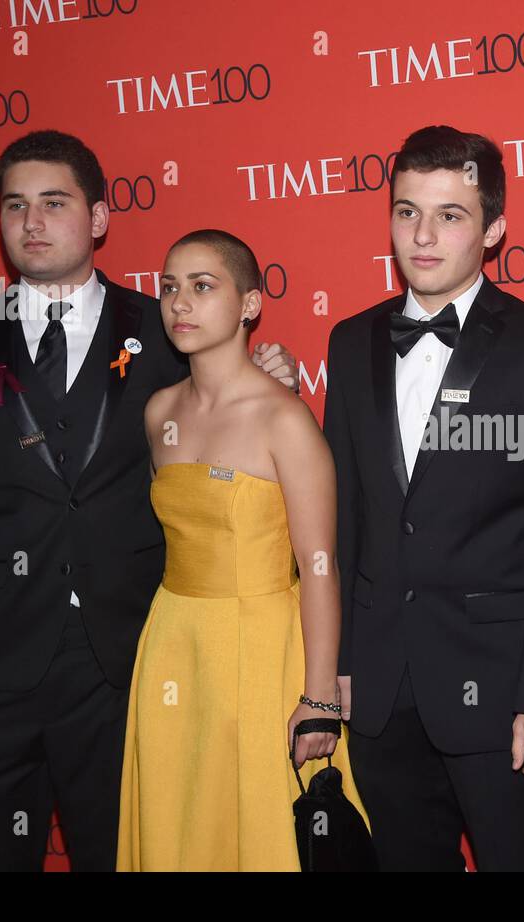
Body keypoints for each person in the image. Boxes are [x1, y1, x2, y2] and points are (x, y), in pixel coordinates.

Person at [0, 130, 297, 871]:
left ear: (100, 218)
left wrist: (274, 369)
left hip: (125, 662)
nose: (33, 222)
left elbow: (234, 415)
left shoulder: (164, 326)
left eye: (54, 203)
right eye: (15, 206)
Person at [322, 125, 524, 871]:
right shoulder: (349, 345)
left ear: (494, 229)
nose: (422, 235)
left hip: (504, 693)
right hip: (380, 691)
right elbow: (347, 518)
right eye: (407, 211)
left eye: (450, 215)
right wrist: (340, 663)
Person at [116, 230, 367, 870]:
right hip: (174, 644)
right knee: (181, 824)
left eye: (204, 287)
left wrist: (318, 698)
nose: (180, 304)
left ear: (251, 304)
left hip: (263, 647)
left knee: (259, 830)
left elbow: (319, 568)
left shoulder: (284, 418)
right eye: (169, 287)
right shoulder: (157, 412)